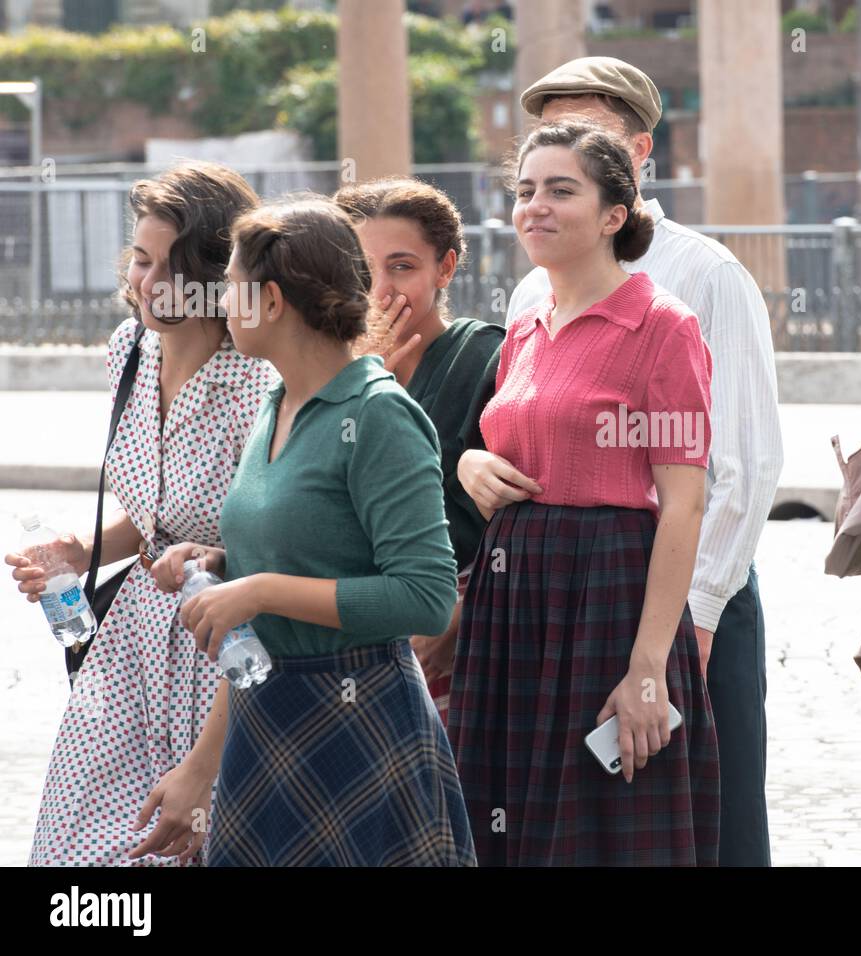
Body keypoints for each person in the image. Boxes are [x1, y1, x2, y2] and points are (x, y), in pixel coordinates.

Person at [130, 198, 475, 866]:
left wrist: (259, 590)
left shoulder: (377, 415)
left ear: (273, 300)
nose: (221, 301)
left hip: (363, 724)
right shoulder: (276, 403)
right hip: (267, 723)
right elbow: (313, 550)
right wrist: (225, 565)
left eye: (231, 287)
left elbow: (425, 596)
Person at [510, 56, 783, 867]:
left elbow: (741, 466)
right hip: (568, 601)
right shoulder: (535, 290)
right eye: (546, 134)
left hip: (694, 595)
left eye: (585, 130)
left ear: (639, 152)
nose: (559, 151)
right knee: (572, 823)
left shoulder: (705, 275)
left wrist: (690, 623)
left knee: (712, 831)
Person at [453, 121, 719, 865]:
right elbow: (504, 443)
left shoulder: (663, 326)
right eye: (525, 190)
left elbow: (685, 504)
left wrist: (647, 668)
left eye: (560, 190)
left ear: (614, 214)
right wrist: (471, 465)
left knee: (600, 825)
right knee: (503, 816)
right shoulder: (526, 327)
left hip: (606, 591)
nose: (535, 206)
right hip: (513, 597)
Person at [5, 161, 273, 866]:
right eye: (140, 258)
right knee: (82, 844)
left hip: (227, 643)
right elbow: (159, 513)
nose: (145, 282)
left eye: (168, 265)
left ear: (218, 274)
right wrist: (81, 550)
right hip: (132, 644)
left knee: (190, 841)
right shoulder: (128, 352)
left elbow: (259, 535)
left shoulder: (256, 380)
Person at [333, 178, 504, 722]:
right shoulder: (326, 371)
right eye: (362, 268)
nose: (379, 289)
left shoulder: (483, 358)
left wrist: (454, 618)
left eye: (402, 267)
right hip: (344, 634)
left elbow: (518, 522)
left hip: (455, 641)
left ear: (445, 269)